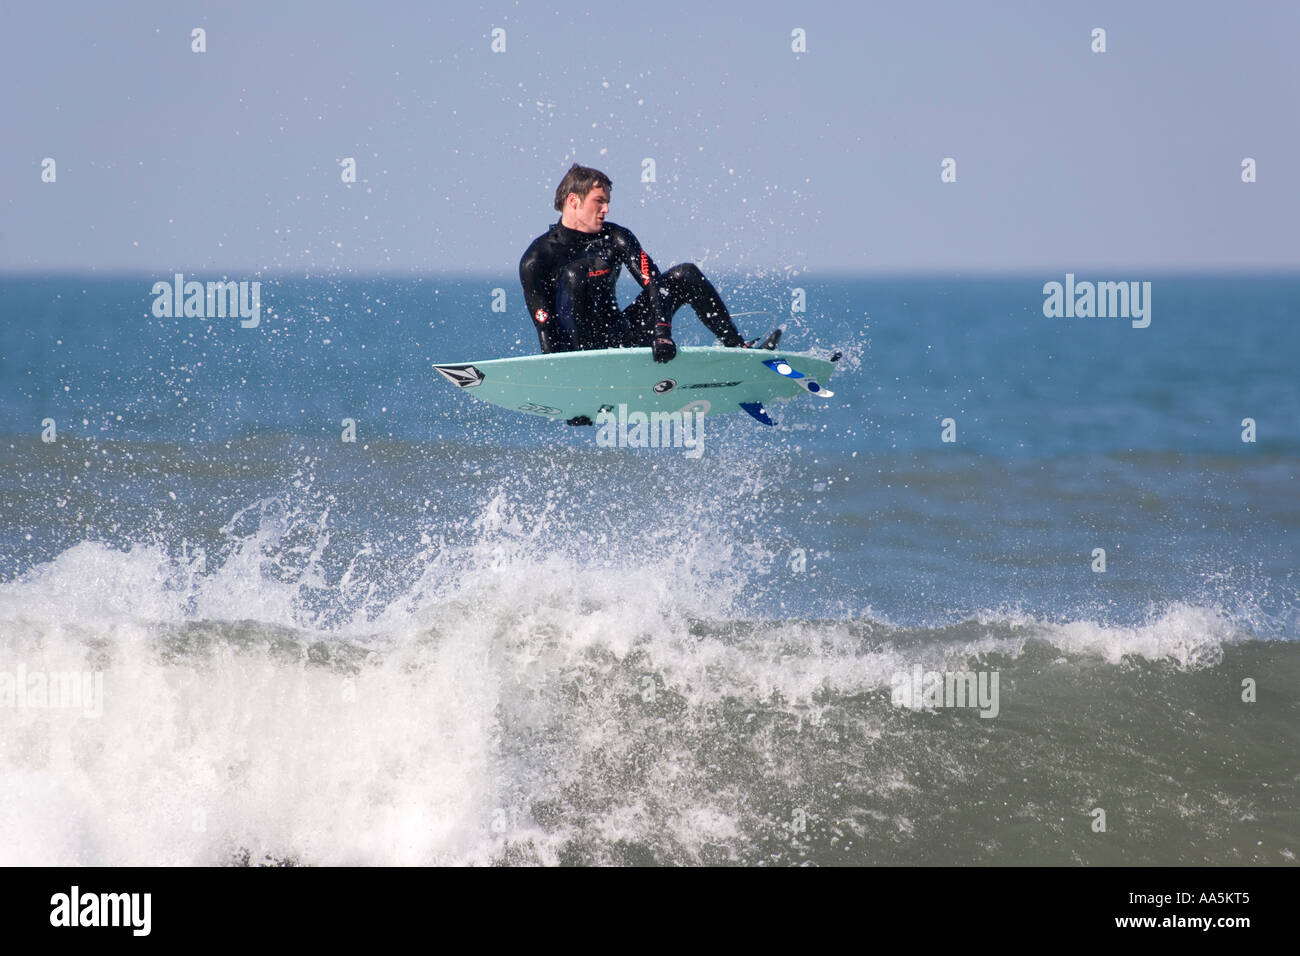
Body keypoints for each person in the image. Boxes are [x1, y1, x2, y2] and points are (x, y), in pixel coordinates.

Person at [519, 164, 751, 363]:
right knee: (577, 274)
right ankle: (582, 373)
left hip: (620, 340)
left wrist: (662, 332)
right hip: (575, 357)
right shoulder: (537, 259)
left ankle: (738, 350)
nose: (606, 209)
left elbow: (654, 284)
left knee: (686, 274)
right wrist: (557, 378)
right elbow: (545, 328)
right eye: (598, 201)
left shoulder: (616, 238)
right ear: (573, 201)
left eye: (607, 202)